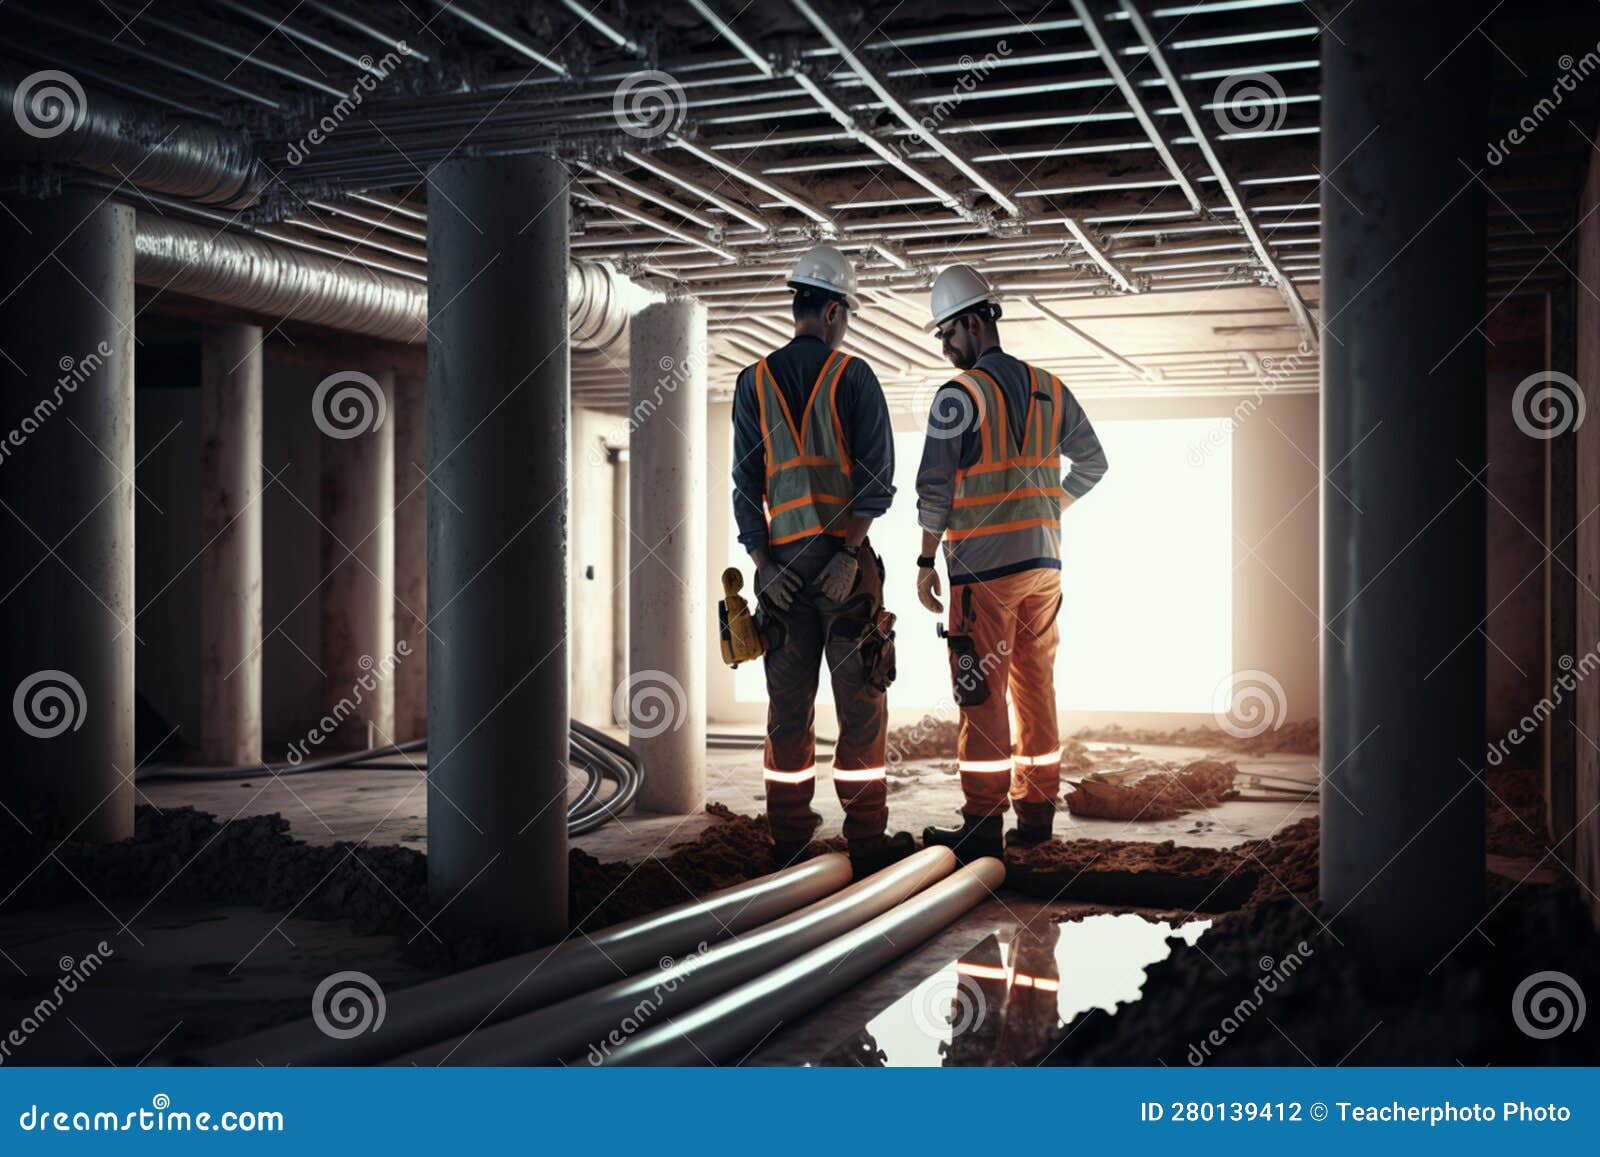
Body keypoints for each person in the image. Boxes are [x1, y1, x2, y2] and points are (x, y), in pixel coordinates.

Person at [913, 264, 1109, 861]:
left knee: (980, 696)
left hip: (982, 576)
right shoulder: (1051, 388)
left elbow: (935, 491)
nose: (946, 347)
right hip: (1044, 570)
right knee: (1035, 687)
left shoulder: (959, 396)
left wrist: (925, 561)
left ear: (973, 323)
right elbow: (1093, 466)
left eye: (948, 333)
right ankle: (1036, 816)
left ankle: (980, 826)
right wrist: (1047, 510)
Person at [731, 244, 915, 878]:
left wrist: (762, 564)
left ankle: (788, 846)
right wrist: (849, 550)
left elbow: (744, 484)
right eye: (847, 314)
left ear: (798, 304)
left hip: (781, 576)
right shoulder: (854, 378)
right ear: (835, 310)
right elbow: (878, 479)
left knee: (787, 714)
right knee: (861, 708)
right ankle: (865, 845)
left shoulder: (751, 381)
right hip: (844, 574)